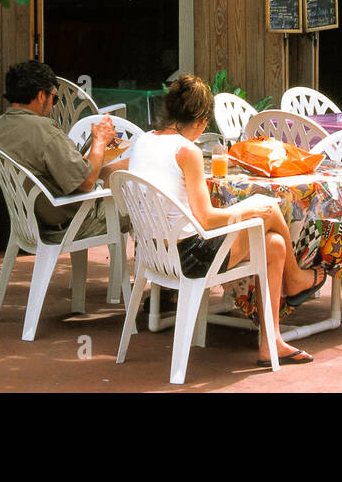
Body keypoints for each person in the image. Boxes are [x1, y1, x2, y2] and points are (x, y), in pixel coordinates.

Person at [128, 74, 327, 366]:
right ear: (201, 121)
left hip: (155, 255)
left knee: (273, 244)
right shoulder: (187, 151)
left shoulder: (142, 141)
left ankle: (270, 342)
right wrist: (249, 211)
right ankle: (295, 279)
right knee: (269, 209)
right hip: (190, 259)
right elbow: (206, 220)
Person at [0, 60, 127, 241]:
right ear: (40, 96)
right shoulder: (43, 129)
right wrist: (99, 140)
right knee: (136, 194)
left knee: (117, 169)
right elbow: (87, 182)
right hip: (69, 223)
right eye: (54, 97)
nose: (53, 105)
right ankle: (155, 264)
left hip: (30, 220)